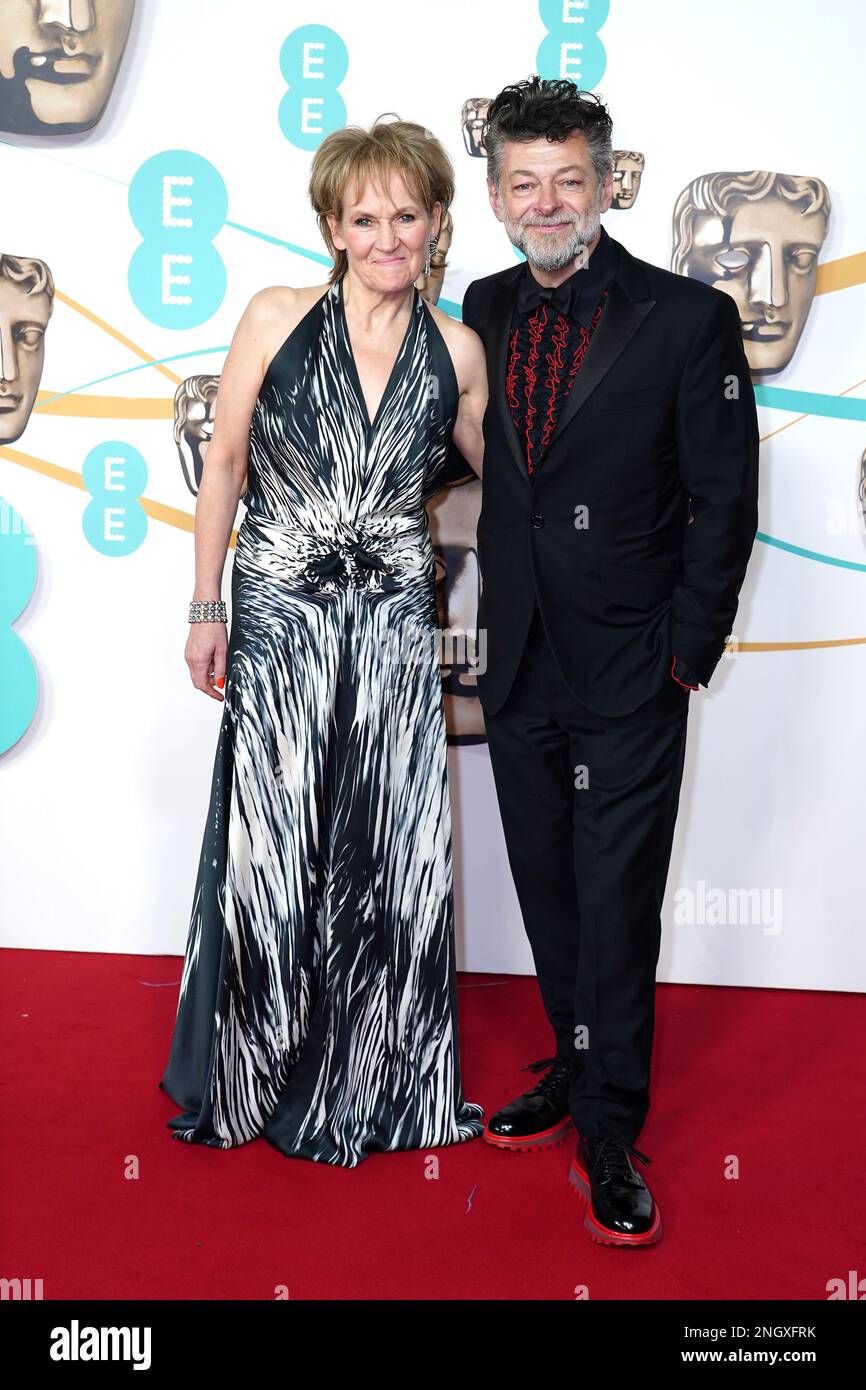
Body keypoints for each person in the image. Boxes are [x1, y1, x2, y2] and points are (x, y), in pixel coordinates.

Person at [455, 78, 759, 1243]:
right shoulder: (477, 305)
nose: (546, 201)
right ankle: (574, 1071)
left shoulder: (683, 318)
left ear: (604, 184)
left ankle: (609, 1125)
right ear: (492, 195)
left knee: (616, 898)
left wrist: (688, 648)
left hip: (634, 663)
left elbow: (721, 493)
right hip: (518, 656)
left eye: (566, 179)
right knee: (546, 885)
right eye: (522, 182)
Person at [159, 117, 488, 1166]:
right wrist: (206, 606)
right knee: (275, 836)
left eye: (406, 214)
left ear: (437, 219)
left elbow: (520, 481)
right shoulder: (271, 316)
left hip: (392, 620)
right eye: (364, 218)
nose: (388, 235)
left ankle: (373, 1073)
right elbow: (223, 470)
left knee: (390, 842)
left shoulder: (462, 349)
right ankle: (255, 1064)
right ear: (332, 227)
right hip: (282, 612)